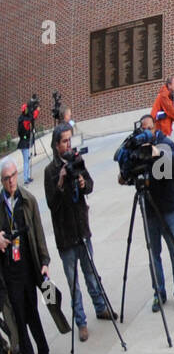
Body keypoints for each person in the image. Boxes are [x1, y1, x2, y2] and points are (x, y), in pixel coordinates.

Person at [43, 124, 110, 337]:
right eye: (64, 141)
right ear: (56, 145)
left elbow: (90, 185)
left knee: (91, 273)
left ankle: (100, 308)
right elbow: (52, 204)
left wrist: (83, 183)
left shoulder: (77, 160)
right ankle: (81, 322)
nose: (68, 145)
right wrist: (61, 180)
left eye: (69, 141)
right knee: (74, 283)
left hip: (82, 229)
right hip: (65, 235)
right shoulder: (50, 171)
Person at [0, 158, 57, 354]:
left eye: (14, 175)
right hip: (8, 273)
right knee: (20, 321)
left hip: (28, 267)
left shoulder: (28, 200)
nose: (11, 181)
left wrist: (44, 260)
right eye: (6, 178)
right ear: (2, 181)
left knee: (34, 314)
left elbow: (39, 233)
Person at [129, 114, 174, 310]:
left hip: (168, 207)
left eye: (148, 128)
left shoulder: (165, 144)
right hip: (148, 210)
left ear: (155, 128)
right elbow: (131, 171)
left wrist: (157, 154)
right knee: (153, 254)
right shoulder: (138, 147)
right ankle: (159, 293)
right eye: (142, 129)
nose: (146, 132)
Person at [15, 98, 39, 185]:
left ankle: (27, 176)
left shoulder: (21, 119)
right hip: (24, 143)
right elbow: (32, 118)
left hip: (23, 142)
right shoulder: (24, 120)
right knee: (26, 161)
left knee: (27, 160)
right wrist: (36, 111)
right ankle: (26, 178)